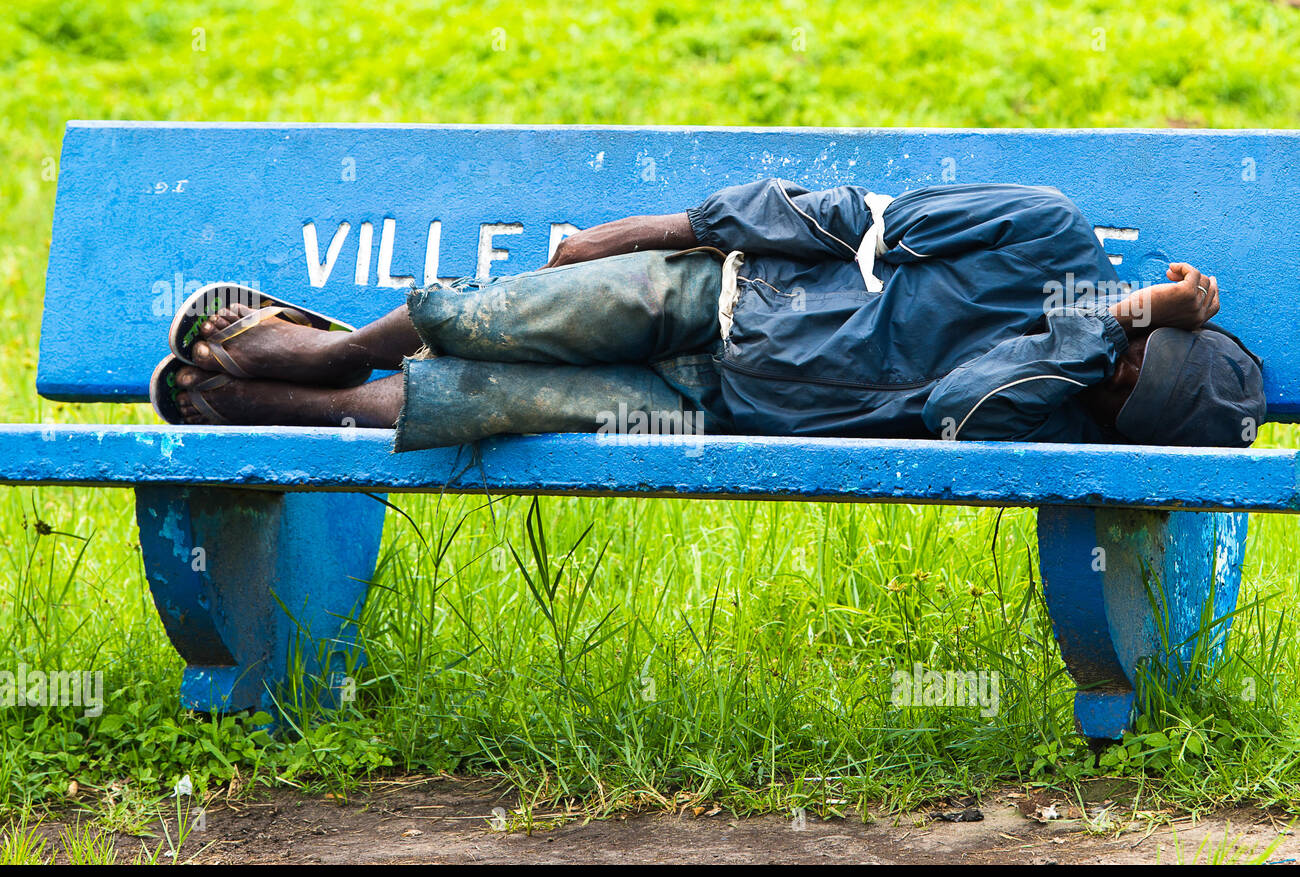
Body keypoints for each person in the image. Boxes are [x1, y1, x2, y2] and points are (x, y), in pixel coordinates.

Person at [165, 180, 1266, 449]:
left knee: (499, 399)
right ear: (1160, 332)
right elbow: (840, 215)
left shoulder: (1043, 404)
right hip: (726, 294)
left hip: (719, 407)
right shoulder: (1044, 231)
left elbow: (960, 401)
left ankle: (260, 397)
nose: (1111, 377)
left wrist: (1099, 334)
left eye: (1125, 399)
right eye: (1134, 362)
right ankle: (323, 349)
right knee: (501, 316)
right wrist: (642, 232)